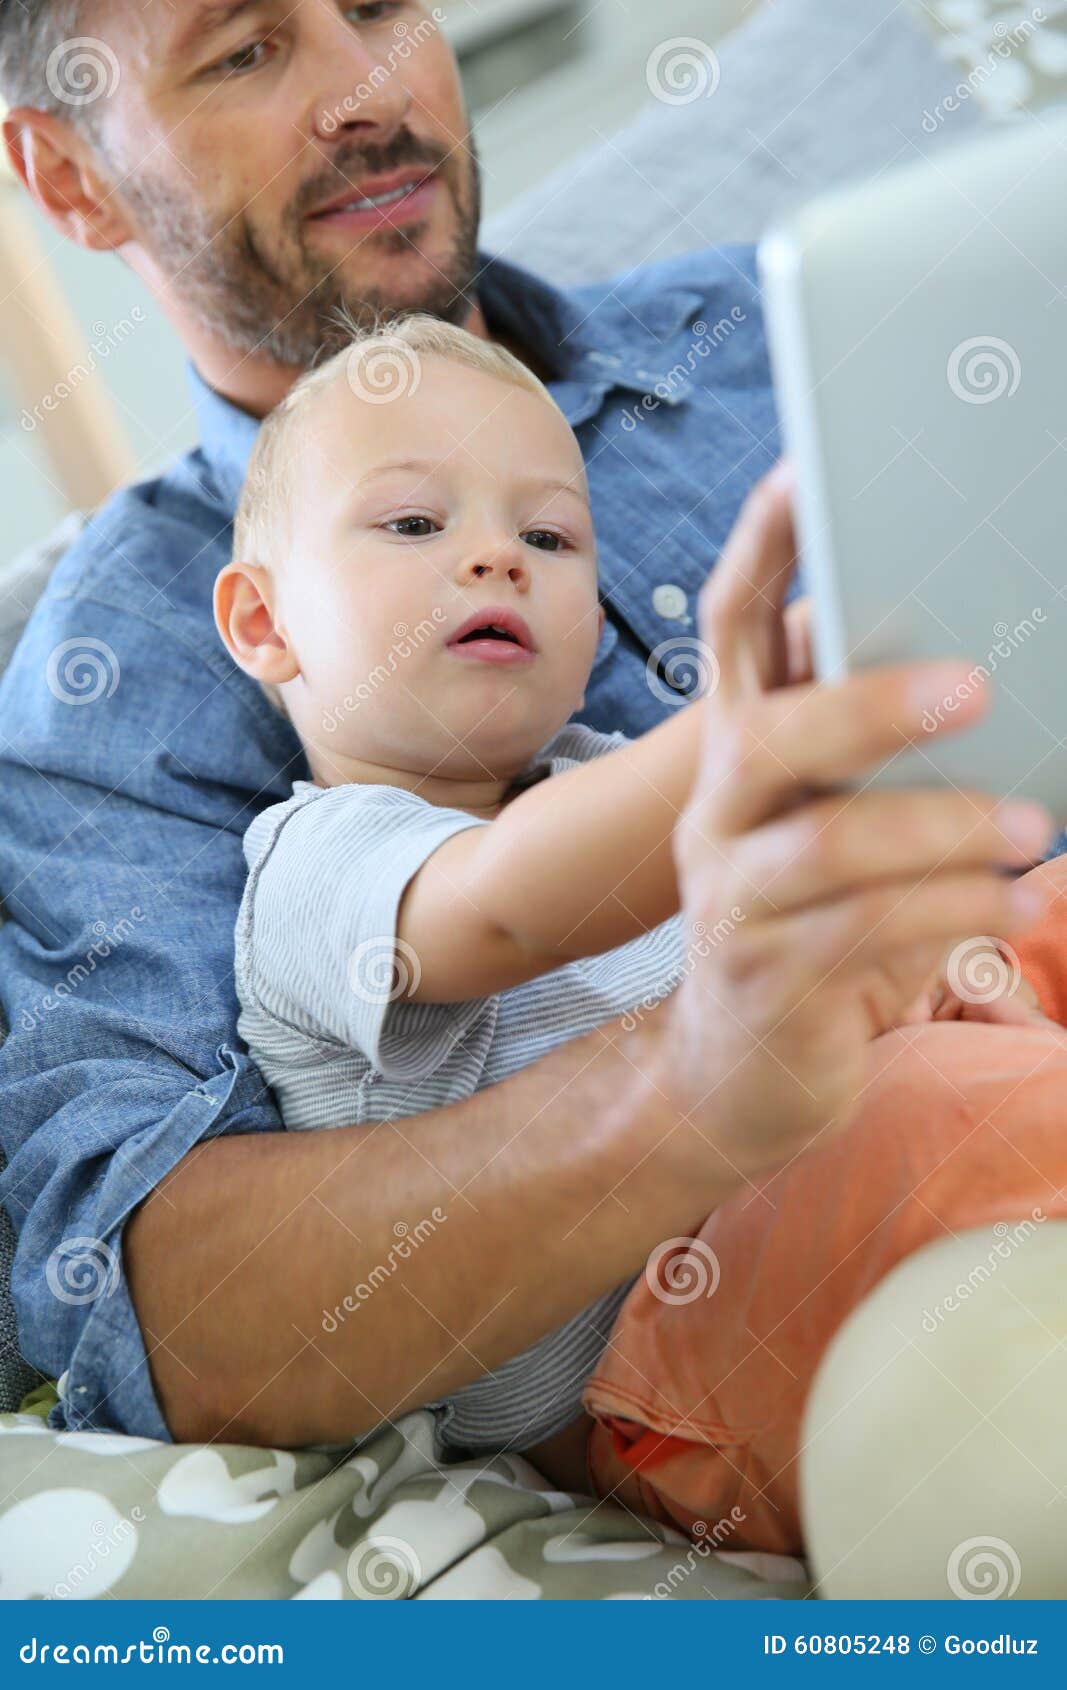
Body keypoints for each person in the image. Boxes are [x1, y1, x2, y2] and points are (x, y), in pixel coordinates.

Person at [0, 0, 1053, 1475]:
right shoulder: (124, 696)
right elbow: (158, 1314)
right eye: (245, 51)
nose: (363, 91)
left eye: (375, 7)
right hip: (775, 1265)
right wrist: (689, 1075)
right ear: (67, 178)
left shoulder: (797, 318)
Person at [217, 308, 1055, 1481]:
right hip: (664, 1366)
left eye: (550, 538)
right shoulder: (317, 861)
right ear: (264, 621)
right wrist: (766, 718)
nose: (497, 555)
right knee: (926, 1105)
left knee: (1032, 912)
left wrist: (947, 974)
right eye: (414, 521)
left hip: (842, 1167)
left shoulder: (600, 771)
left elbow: (795, 944)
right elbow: (504, 907)